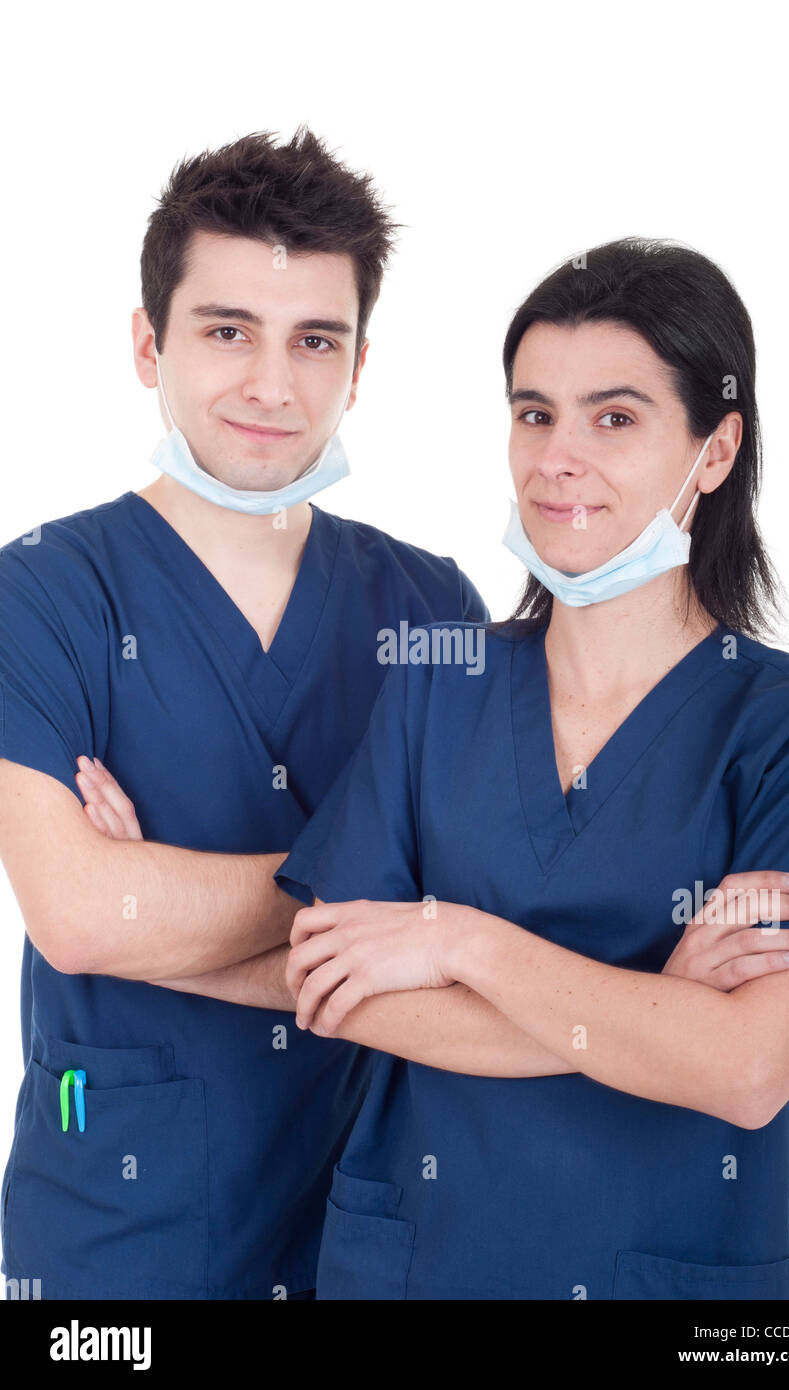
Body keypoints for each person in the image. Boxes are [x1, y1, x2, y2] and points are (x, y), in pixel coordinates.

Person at [74, 238, 789, 1301]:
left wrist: (456, 940)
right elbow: (330, 985)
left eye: (613, 418)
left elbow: (744, 1070)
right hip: (410, 1265)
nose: (556, 458)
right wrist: (649, 1013)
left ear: (713, 451)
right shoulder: (437, 687)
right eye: (534, 413)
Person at [0, 127, 488, 1301]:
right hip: (124, 1239)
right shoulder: (45, 592)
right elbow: (77, 916)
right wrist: (376, 905)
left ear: (359, 366)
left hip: (381, 1221)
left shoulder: (432, 604)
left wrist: (164, 897)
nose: (273, 384)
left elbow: (488, 941)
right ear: (145, 342)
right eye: (228, 331)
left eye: (314, 340)